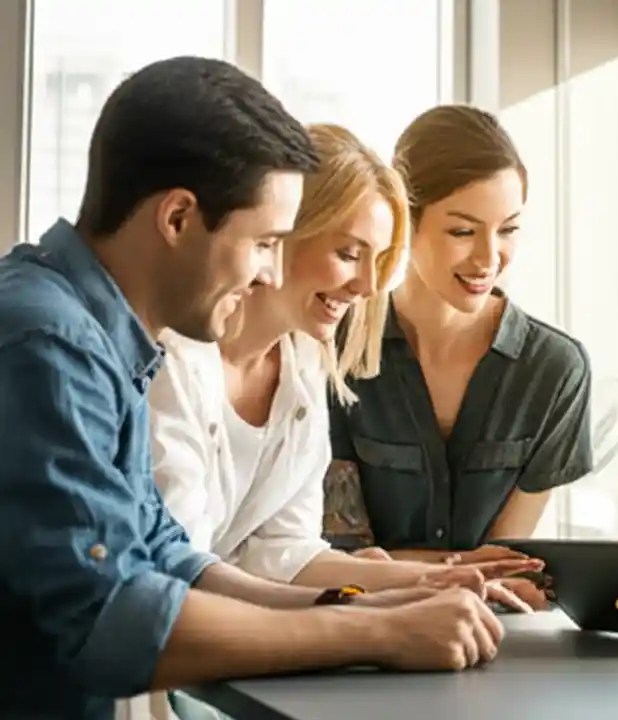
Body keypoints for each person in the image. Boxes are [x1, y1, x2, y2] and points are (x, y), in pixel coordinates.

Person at [0, 57, 508, 720]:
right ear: (179, 218)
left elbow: (170, 557)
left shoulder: (102, 339)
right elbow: (111, 620)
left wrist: (371, 602)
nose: (270, 273)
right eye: (266, 242)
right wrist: (376, 632)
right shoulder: (51, 344)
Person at [148, 122, 540, 598]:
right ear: (281, 233)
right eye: (350, 254)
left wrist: (440, 580)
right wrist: (366, 612)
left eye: (379, 261)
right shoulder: (170, 363)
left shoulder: (305, 362)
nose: (369, 287)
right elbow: (178, 575)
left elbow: (286, 551)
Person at [324, 105, 594, 566]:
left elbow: (504, 563)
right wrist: (461, 570)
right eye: (463, 231)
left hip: (492, 627)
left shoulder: (554, 369)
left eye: (508, 230)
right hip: (358, 620)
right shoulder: (337, 343)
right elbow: (343, 555)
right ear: (403, 219)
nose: (489, 257)